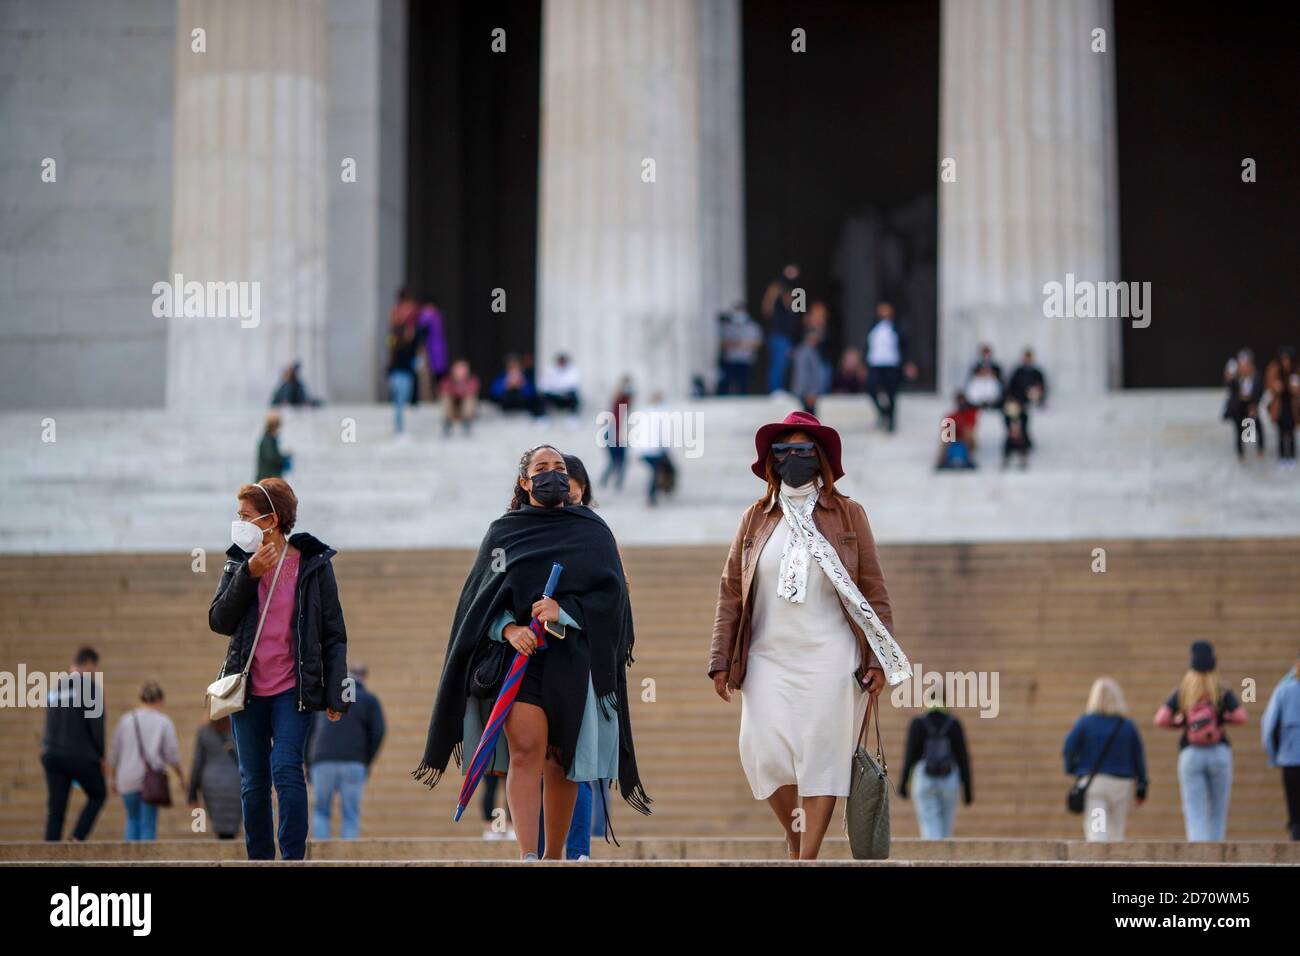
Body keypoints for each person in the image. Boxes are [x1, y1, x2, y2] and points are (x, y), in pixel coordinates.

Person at [414, 445, 651, 860]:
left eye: (559, 468)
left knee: (561, 758)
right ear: (524, 482)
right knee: (526, 750)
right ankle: (528, 855)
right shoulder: (503, 533)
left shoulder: (593, 530)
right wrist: (509, 628)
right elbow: (476, 603)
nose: (552, 474)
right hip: (520, 666)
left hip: (573, 663)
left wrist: (566, 611)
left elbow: (613, 600)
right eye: (541, 468)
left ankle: (553, 855)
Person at [709, 411, 911, 860]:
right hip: (766, 656)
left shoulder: (849, 514)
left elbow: (873, 590)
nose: (793, 458)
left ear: (819, 458)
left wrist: (878, 659)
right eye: (783, 451)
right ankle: (796, 833)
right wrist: (720, 658)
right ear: (771, 462)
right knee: (760, 752)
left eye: (803, 450)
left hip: (831, 655)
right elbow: (730, 591)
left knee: (822, 755)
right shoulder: (755, 517)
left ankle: (807, 857)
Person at [208, 478, 349, 860]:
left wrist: (336, 691)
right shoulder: (238, 560)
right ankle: (259, 860)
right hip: (248, 690)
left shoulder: (313, 563)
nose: (239, 523)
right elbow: (219, 620)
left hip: (292, 690)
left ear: (271, 519)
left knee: (286, 770)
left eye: (246, 516)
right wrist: (248, 574)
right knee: (253, 782)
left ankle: (291, 859)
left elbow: (333, 633)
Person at [1154, 641, 1248, 841]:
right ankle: (1216, 857)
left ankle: (1197, 857)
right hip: (1219, 752)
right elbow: (1241, 716)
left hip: (1190, 753)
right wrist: (1221, 719)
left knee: (1194, 810)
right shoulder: (1221, 689)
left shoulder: (1184, 690)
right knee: (1217, 810)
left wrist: (1181, 724)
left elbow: (1160, 718)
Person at [1063, 678, 1148, 842]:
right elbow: (1138, 756)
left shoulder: (1085, 722)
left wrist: (1072, 768)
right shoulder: (1127, 725)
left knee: (1098, 832)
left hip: (1096, 785)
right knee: (1116, 832)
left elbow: (1068, 747)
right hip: (1121, 785)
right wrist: (1142, 785)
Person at [307, 663, 386, 840]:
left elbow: (309, 730)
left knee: (321, 811)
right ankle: (348, 856)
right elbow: (379, 731)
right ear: (364, 678)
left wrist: (307, 761)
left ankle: (321, 856)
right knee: (350, 814)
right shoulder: (368, 699)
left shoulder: (326, 697)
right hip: (354, 761)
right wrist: (366, 759)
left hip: (322, 760)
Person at [41, 647, 107, 842]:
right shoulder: (90, 688)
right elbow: (96, 725)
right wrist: (101, 755)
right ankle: (77, 837)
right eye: (93, 668)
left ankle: (49, 853)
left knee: (56, 808)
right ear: (87, 663)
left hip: (52, 753)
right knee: (98, 793)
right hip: (80, 754)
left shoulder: (55, 689)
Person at [108, 680, 184, 842]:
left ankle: (128, 861)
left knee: (132, 819)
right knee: (148, 824)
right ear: (160, 700)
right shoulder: (164, 722)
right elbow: (172, 754)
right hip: (151, 780)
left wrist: (112, 778)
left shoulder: (126, 720)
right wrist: (181, 775)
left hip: (126, 778)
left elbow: (114, 752)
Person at [898, 700, 972, 839]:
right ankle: (942, 856)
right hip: (949, 778)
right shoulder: (954, 724)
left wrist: (903, 784)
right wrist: (967, 790)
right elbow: (963, 758)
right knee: (946, 828)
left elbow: (909, 756)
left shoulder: (918, 723)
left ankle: (933, 855)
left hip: (924, 778)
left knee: (929, 825)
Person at [1260, 652, 1300, 839]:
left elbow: (1269, 725)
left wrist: (1273, 755)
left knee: (1295, 812)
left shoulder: (1284, 690)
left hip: (1290, 758)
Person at [864, 302, 917, 432]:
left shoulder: (896, 328)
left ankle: (891, 421)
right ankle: (884, 412)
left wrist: (908, 363)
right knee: (870, 387)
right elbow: (867, 346)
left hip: (891, 365)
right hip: (875, 364)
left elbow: (905, 347)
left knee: (891, 393)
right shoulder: (873, 328)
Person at [187, 716, 242, 840]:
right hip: (235, 781)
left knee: (221, 825)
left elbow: (197, 763)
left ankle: (223, 843)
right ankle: (230, 843)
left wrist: (192, 793)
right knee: (231, 825)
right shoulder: (238, 728)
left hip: (211, 783)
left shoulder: (204, 731)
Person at [761, 263, 802, 393]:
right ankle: (775, 390)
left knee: (786, 366)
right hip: (778, 334)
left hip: (790, 336)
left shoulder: (798, 292)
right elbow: (766, 309)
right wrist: (776, 293)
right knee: (778, 364)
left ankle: (782, 389)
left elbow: (797, 314)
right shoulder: (776, 288)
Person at [1223, 349, 1265, 461]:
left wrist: (1254, 405)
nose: (1244, 366)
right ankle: (1241, 453)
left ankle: (1260, 450)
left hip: (1250, 405)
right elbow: (1231, 390)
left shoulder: (1255, 376)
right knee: (1239, 430)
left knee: (1254, 427)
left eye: (1246, 363)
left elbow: (1259, 391)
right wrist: (1229, 377)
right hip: (1238, 406)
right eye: (1242, 363)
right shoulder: (1235, 377)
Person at [386, 303, 420, 440]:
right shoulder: (396, 336)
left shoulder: (405, 336)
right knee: (399, 403)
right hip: (400, 373)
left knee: (401, 403)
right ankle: (398, 430)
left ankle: (399, 429)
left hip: (402, 373)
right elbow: (395, 352)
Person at [1264, 346, 1299, 466]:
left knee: (1291, 431)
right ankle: (1282, 455)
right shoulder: (1274, 368)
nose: (1286, 362)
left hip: (1293, 406)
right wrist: (1275, 387)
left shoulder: (1296, 369)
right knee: (1280, 431)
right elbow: (1268, 385)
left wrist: (1296, 389)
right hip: (1279, 406)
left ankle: (1292, 455)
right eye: (1283, 359)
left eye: (1288, 359)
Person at [717, 303, 761, 395]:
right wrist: (736, 344)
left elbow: (757, 343)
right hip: (730, 360)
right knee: (726, 385)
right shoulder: (728, 326)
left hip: (745, 360)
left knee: (743, 385)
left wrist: (743, 344)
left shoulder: (752, 326)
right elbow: (722, 343)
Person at [600, 376, 633, 491]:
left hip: (612, 433)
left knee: (616, 461)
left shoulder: (619, 399)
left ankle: (608, 482)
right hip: (615, 433)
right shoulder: (622, 400)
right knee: (619, 461)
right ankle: (614, 483)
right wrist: (619, 434)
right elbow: (618, 418)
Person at [935, 391, 978, 470]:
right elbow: (947, 422)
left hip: (964, 436)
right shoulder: (954, 414)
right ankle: (942, 459)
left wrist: (962, 426)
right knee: (945, 437)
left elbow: (971, 425)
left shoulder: (970, 413)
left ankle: (968, 458)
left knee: (968, 433)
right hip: (954, 436)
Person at [439, 358, 480, 436]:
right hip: (453, 410)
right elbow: (444, 390)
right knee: (446, 397)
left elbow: (473, 390)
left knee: (469, 397)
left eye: (462, 368)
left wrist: (460, 388)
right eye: (458, 368)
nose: (460, 371)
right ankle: (447, 423)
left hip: (466, 411)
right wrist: (458, 388)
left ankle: (467, 423)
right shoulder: (447, 380)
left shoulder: (472, 379)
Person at [417, 300, 450, 398]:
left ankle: (428, 397)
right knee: (437, 376)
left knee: (427, 377)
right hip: (437, 350)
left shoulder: (426, 316)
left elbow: (421, 334)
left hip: (428, 350)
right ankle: (438, 396)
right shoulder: (438, 317)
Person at [790, 327, 825, 415]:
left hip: (806, 392)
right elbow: (803, 374)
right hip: (806, 393)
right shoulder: (805, 351)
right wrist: (809, 392)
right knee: (808, 420)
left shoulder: (809, 350)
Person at [255, 412, 289, 480]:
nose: (279, 429)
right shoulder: (267, 441)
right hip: (266, 479)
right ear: (274, 426)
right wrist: (283, 459)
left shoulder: (270, 440)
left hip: (267, 478)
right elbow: (271, 458)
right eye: (278, 426)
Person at [1001, 398, 1031, 470]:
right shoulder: (1007, 417)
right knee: (1009, 442)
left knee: (1022, 441)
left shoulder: (1024, 416)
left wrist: (1018, 432)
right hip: (1011, 435)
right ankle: (1006, 459)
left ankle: (1023, 458)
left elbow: (1024, 427)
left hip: (1021, 435)